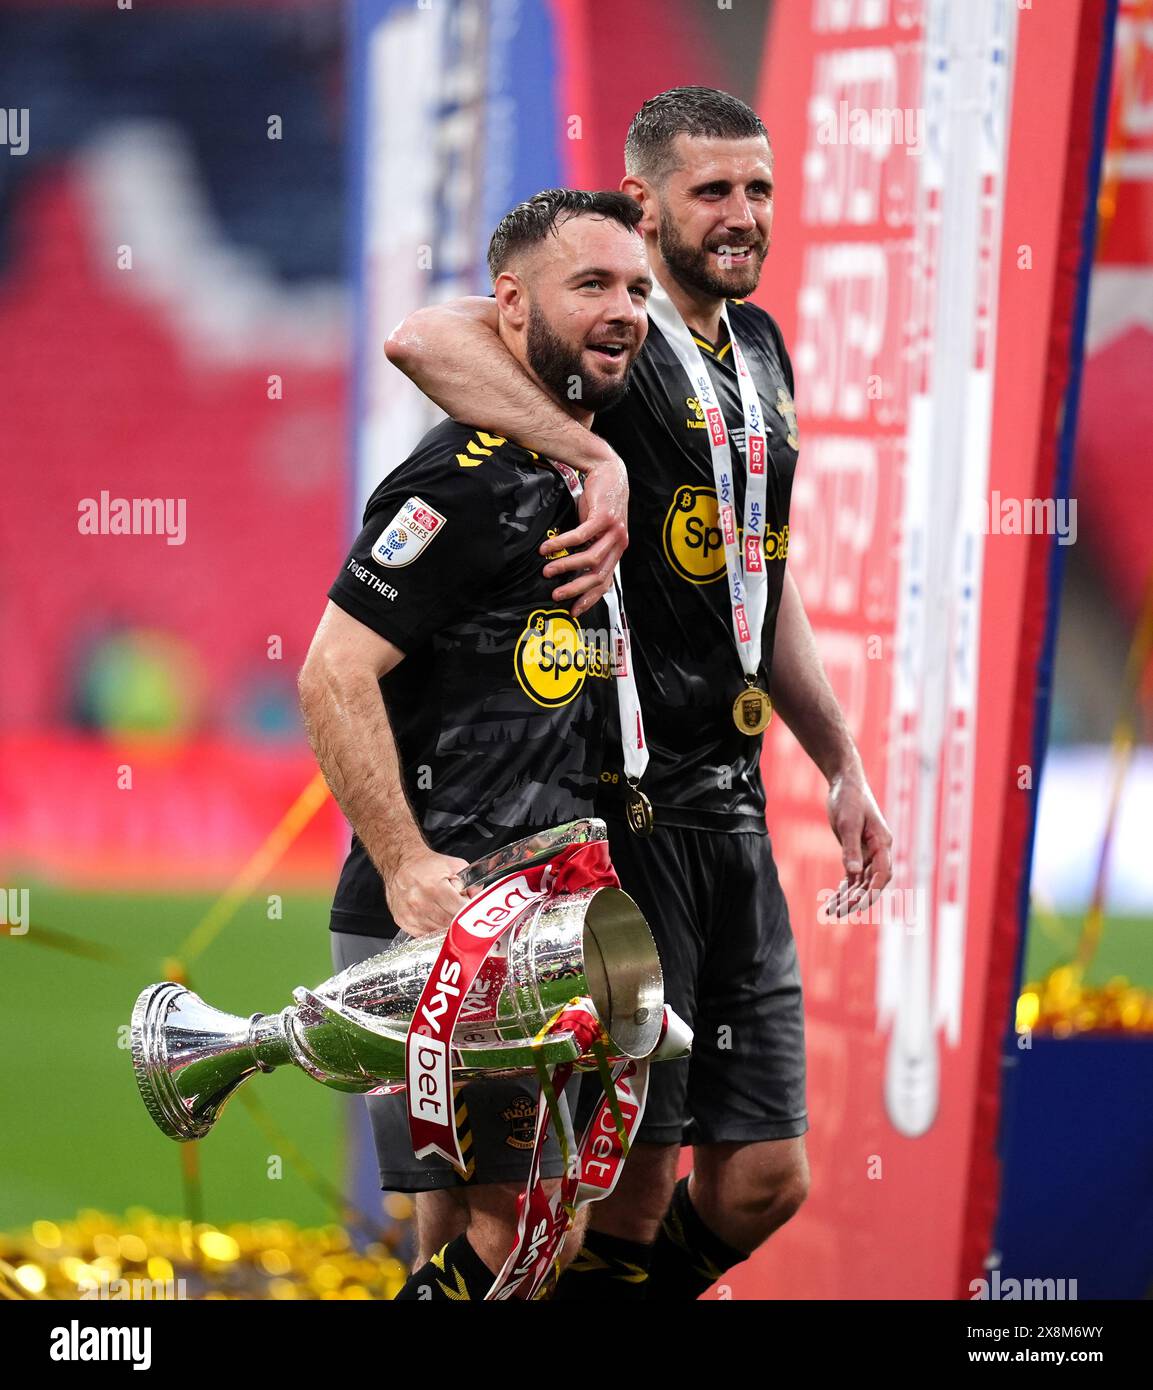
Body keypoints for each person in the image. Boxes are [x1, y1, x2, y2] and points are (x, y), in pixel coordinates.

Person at [383, 86, 894, 1299]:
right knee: (619, 1189)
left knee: (765, 1176)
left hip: (734, 811)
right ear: (641, 204)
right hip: (624, 813)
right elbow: (421, 337)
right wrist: (590, 450)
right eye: (710, 191)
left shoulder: (760, 349)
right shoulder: (617, 329)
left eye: (756, 189)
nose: (739, 214)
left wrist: (841, 762)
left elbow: (760, 591)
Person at [298, 187, 651, 1300]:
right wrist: (406, 864)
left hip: (538, 910)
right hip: (450, 914)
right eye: (590, 285)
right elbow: (330, 671)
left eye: (635, 287)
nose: (626, 310)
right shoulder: (463, 482)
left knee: (476, 1238)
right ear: (508, 307)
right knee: (523, 1235)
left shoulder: (579, 460)